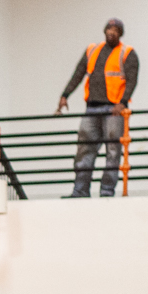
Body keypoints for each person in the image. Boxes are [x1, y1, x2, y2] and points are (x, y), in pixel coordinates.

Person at [57, 19, 137, 198]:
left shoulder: (127, 53)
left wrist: (122, 103)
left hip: (114, 110)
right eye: (109, 29)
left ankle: (107, 192)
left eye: (116, 30)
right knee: (84, 149)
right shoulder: (92, 50)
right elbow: (78, 73)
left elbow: (132, 80)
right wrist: (65, 95)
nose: (111, 32)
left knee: (113, 151)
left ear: (120, 34)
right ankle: (80, 191)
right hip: (91, 108)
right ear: (104, 31)